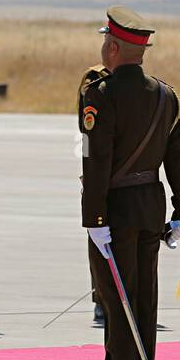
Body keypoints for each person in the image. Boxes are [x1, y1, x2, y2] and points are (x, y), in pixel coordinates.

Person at [77, 6, 180, 360]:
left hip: (114, 212)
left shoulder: (100, 95)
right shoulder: (166, 95)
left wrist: (93, 220)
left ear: (112, 48)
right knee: (143, 301)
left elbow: (95, 161)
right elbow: (177, 159)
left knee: (117, 303)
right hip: (151, 207)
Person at [79, 63, 109, 324]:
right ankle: (101, 297)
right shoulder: (94, 80)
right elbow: (86, 126)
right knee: (99, 236)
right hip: (100, 168)